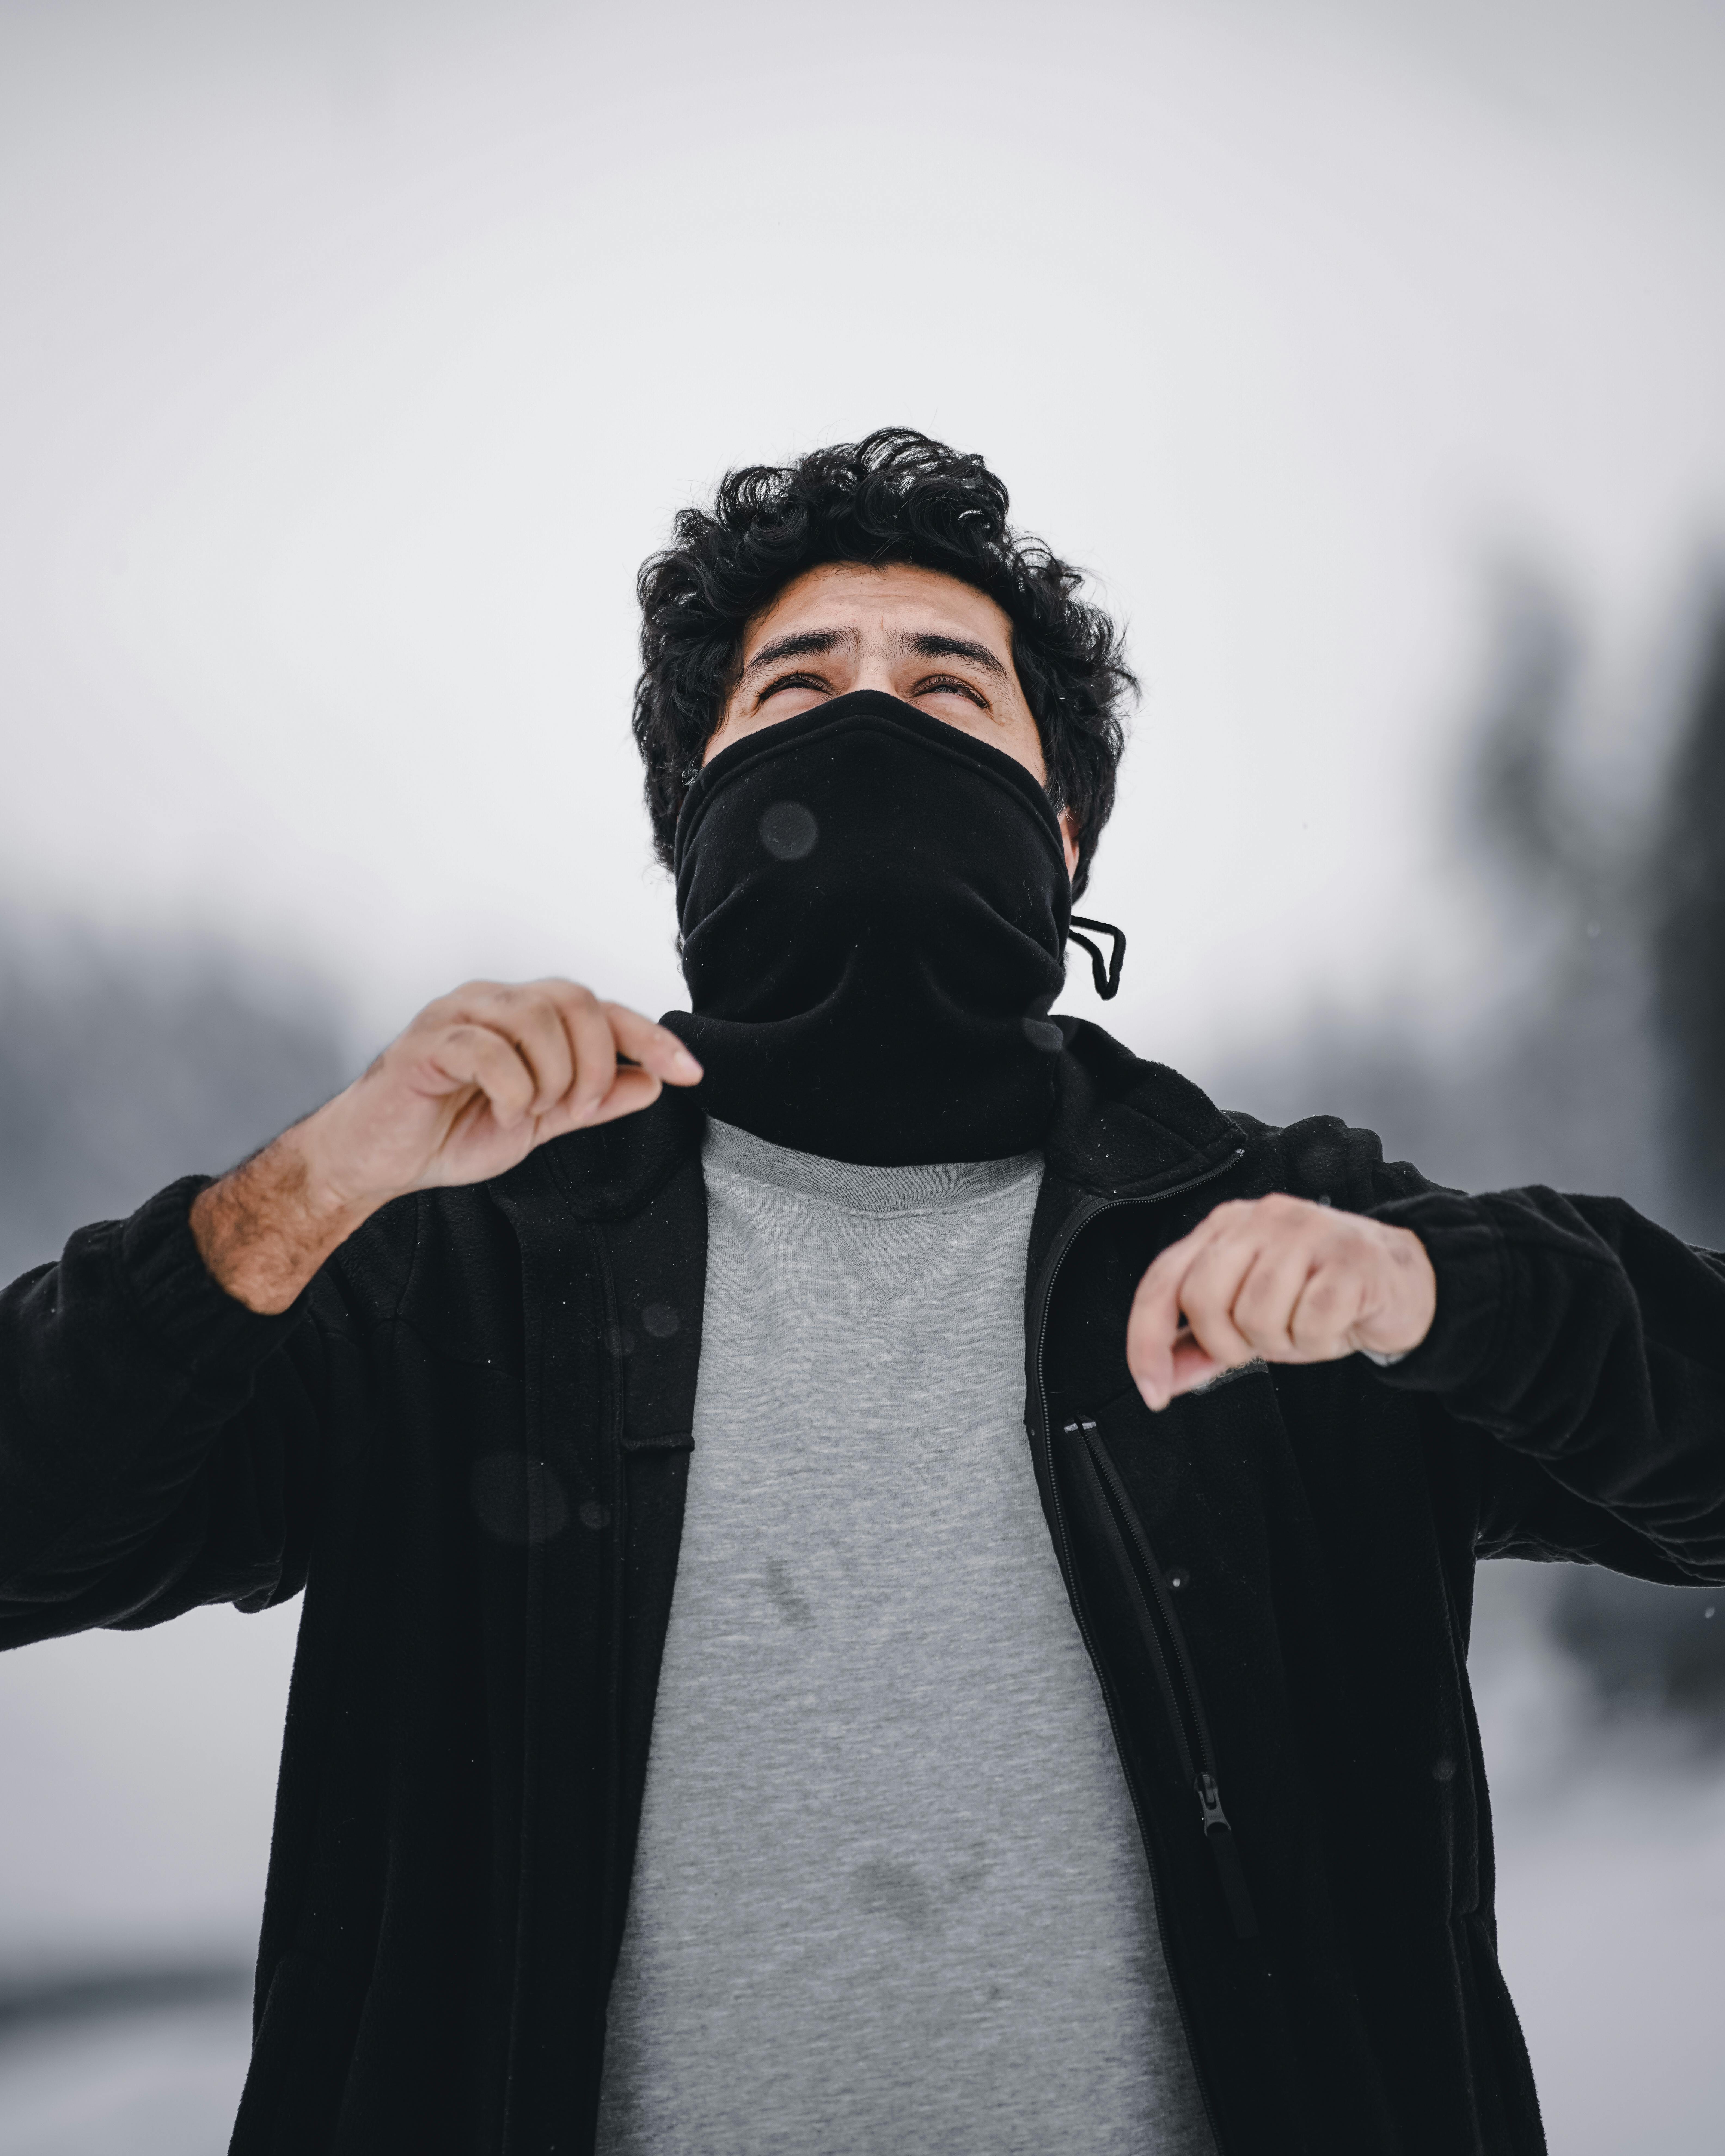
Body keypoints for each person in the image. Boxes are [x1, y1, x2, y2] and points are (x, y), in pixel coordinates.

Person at [1, 428, 1720, 2156]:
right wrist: (303, 1194)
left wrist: (1459, 1298)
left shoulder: (1295, 1250)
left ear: (1061, 832)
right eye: (799, 686)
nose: (872, 720)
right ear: (694, 827)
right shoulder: (460, 1273)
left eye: (950, 690)